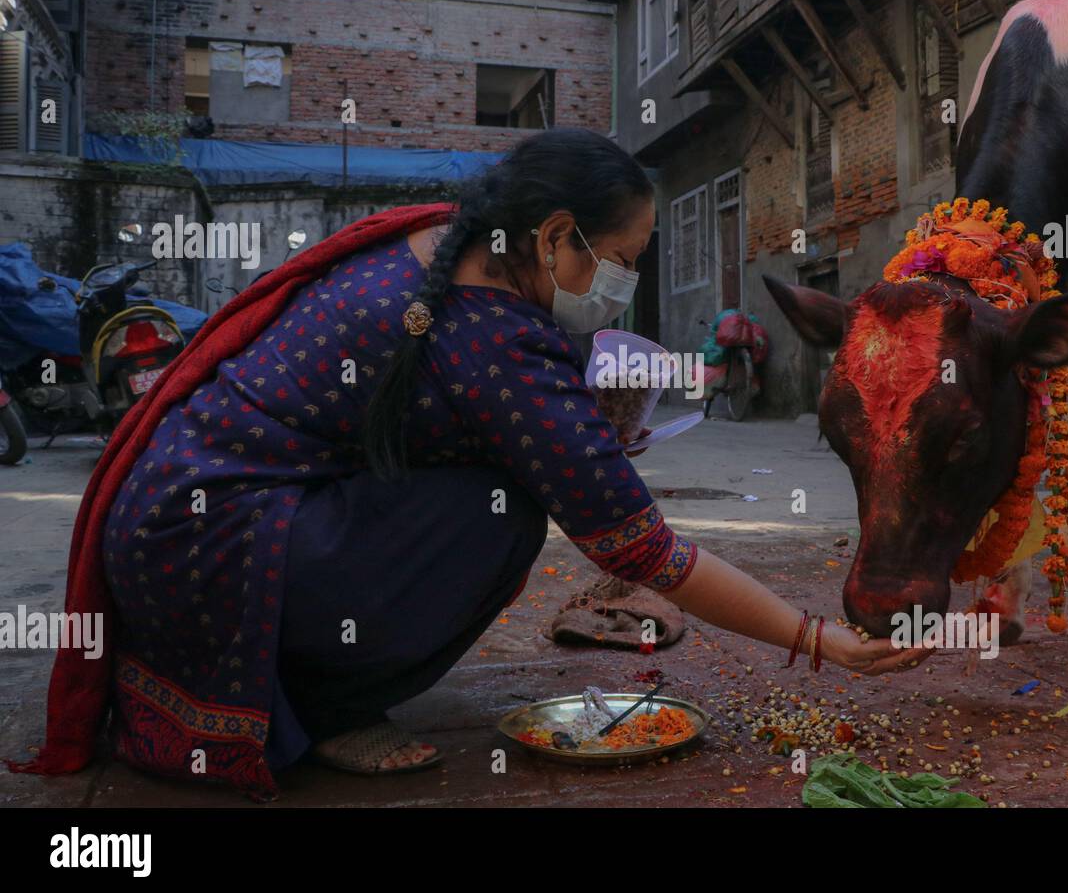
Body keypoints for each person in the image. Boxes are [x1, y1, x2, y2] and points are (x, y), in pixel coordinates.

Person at [23, 129, 927, 797]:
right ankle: (323, 702)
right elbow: (642, 554)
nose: (623, 284)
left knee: (503, 483)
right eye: (621, 260)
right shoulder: (495, 335)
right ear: (554, 237)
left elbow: (433, 416)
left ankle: (305, 678)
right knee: (502, 510)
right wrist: (820, 642)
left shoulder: (445, 248)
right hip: (209, 542)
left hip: (176, 520)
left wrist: (582, 435)